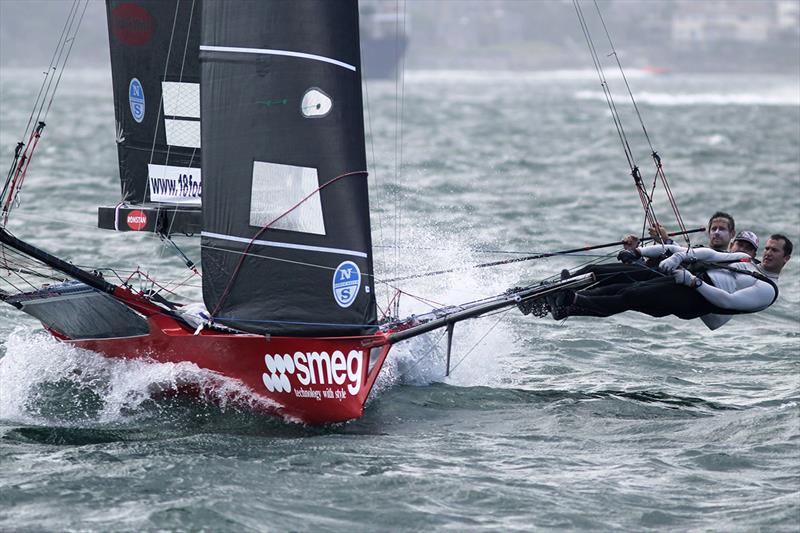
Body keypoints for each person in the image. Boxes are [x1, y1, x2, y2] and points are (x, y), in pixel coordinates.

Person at [548, 234, 792, 328]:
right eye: (768, 248)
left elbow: (728, 301)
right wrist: (678, 258)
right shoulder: (743, 259)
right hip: (686, 281)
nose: (769, 253)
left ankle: (572, 301)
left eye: (775, 251)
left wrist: (693, 283)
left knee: (632, 295)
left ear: (786, 258)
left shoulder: (767, 289)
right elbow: (708, 254)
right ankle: (561, 300)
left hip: (694, 299)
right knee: (628, 288)